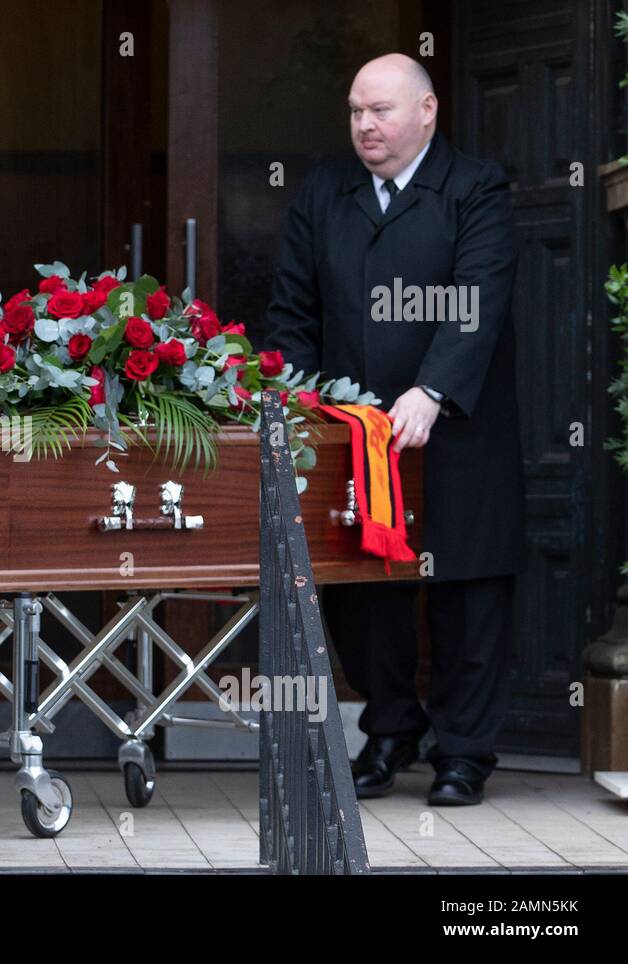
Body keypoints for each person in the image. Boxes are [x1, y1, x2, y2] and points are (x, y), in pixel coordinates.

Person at [264, 53, 523, 806]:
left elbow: (478, 297)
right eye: (355, 112)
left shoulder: (474, 186)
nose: (365, 126)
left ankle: (465, 752)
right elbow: (294, 309)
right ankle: (387, 734)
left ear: (427, 112)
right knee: (364, 588)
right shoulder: (325, 191)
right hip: (355, 431)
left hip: (455, 425)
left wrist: (433, 389)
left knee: (467, 589)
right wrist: (305, 401)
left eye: (380, 111)